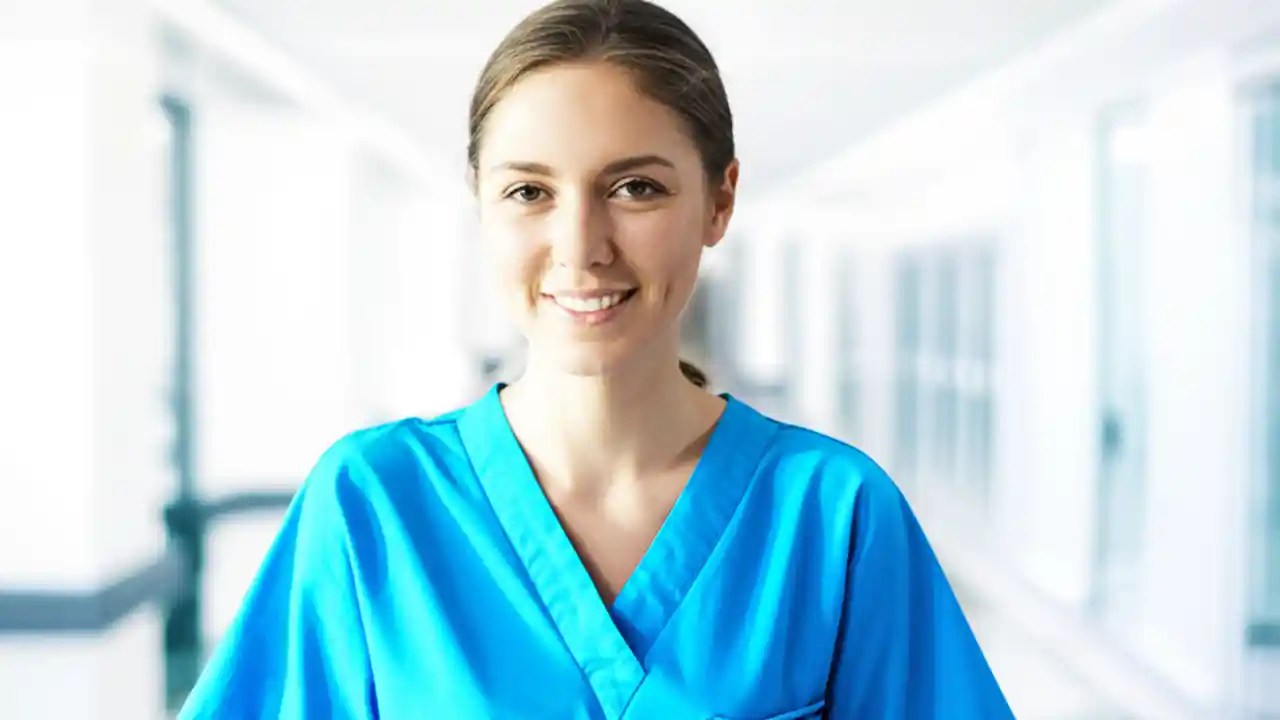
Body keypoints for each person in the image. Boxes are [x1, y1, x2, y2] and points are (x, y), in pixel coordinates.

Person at [178, 0, 1014, 717]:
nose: (580, 248)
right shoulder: (374, 505)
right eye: (528, 192)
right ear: (481, 201)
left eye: (635, 188)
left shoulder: (833, 516)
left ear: (719, 200)